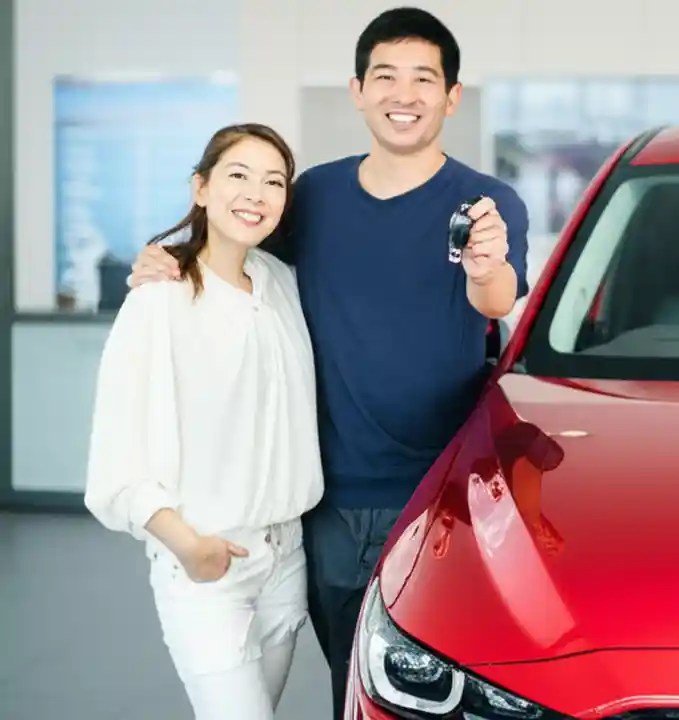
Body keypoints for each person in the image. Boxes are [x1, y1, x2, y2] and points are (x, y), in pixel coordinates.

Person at [127, 7, 530, 714]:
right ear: (357, 90)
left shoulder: (487, 204)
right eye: (385, 76)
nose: (403, 94)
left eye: (423, 79)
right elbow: (240, 262)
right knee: (353, 683)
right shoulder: (313, 194)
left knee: (444, 688)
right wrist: (169, 260)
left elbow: (498, 299)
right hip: (326, 500)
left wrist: (484, 265)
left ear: (451, 96)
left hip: (442, 501)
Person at [84, 122, 323, 720]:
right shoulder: (158, 299)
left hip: (286, 559)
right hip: (207, 564)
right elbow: (116, 454)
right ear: (201, 187)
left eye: (274, 182)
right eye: (238, 175)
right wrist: (187, 547)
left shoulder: (282, 283)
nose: (256, 194)